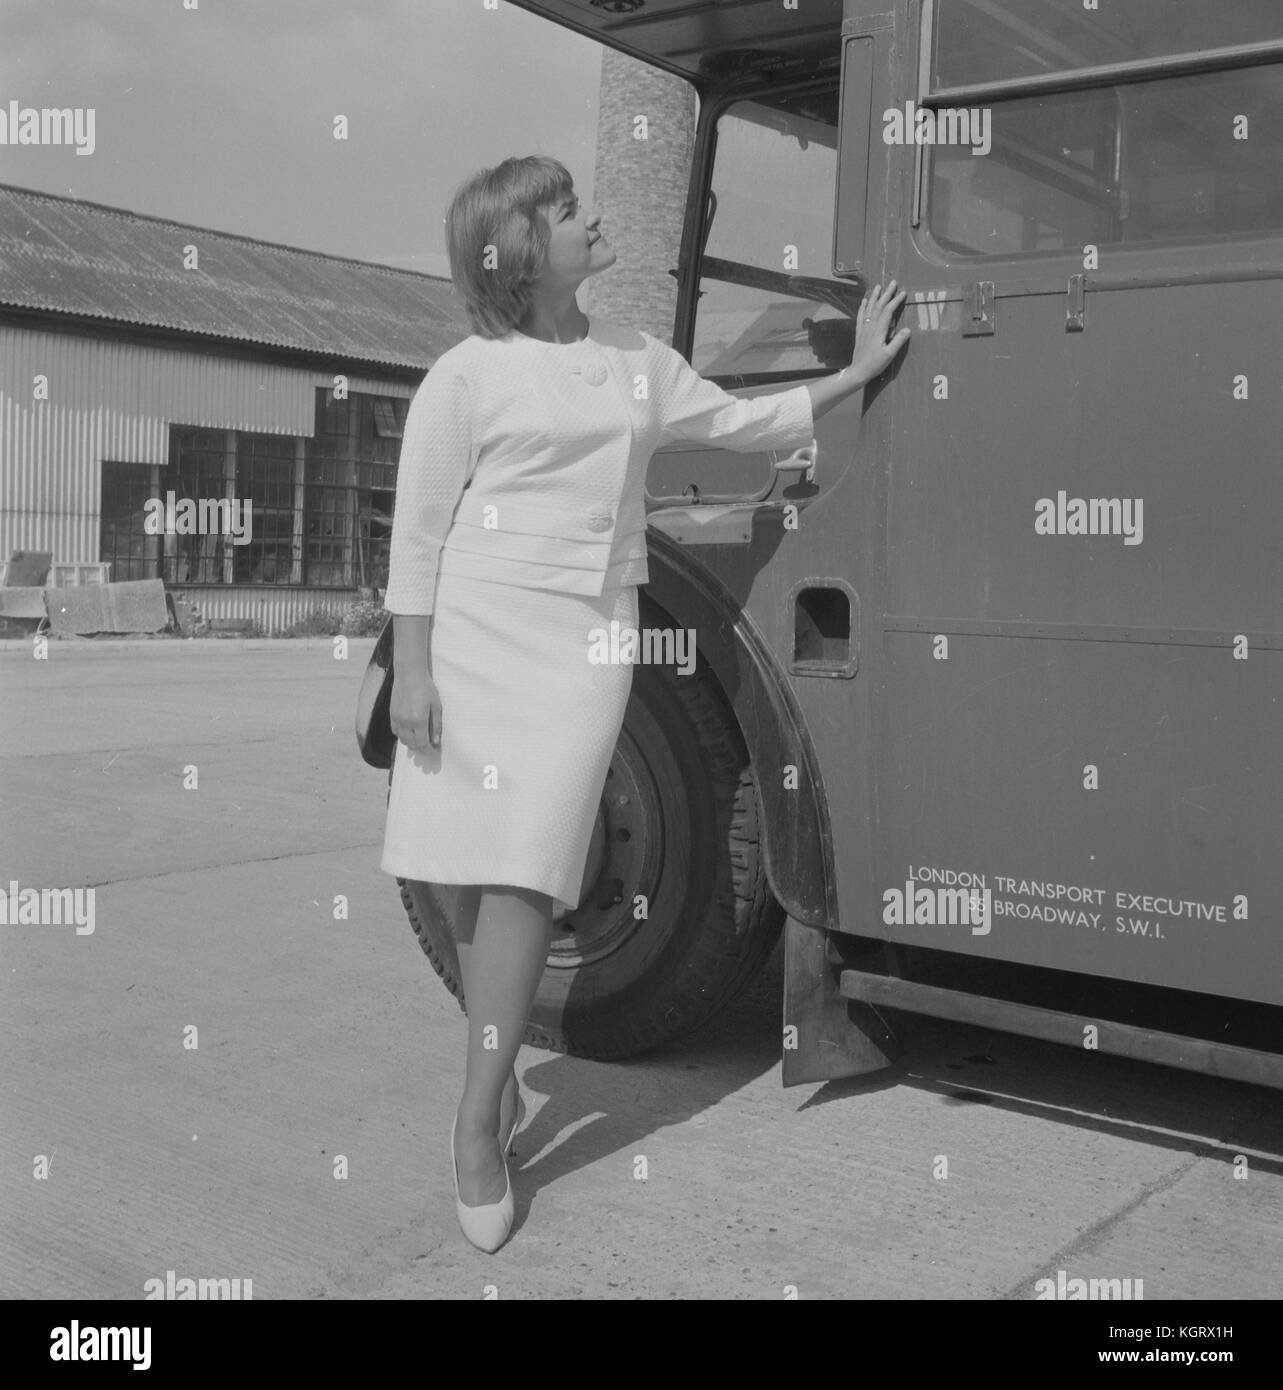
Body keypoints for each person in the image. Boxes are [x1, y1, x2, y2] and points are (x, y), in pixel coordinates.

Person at [380, 155, 909, 1253]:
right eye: (570, 210)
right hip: (475, 634)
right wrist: (417, 671)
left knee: (531, 865)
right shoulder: (465, 376)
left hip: (584, 640)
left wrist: (856, 371)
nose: (593, 217)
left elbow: (744, 423)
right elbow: (417, 535)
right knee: (459, 862)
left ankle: (475, 1125)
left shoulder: (634, 361)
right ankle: (498, 1072)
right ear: (518, 248)